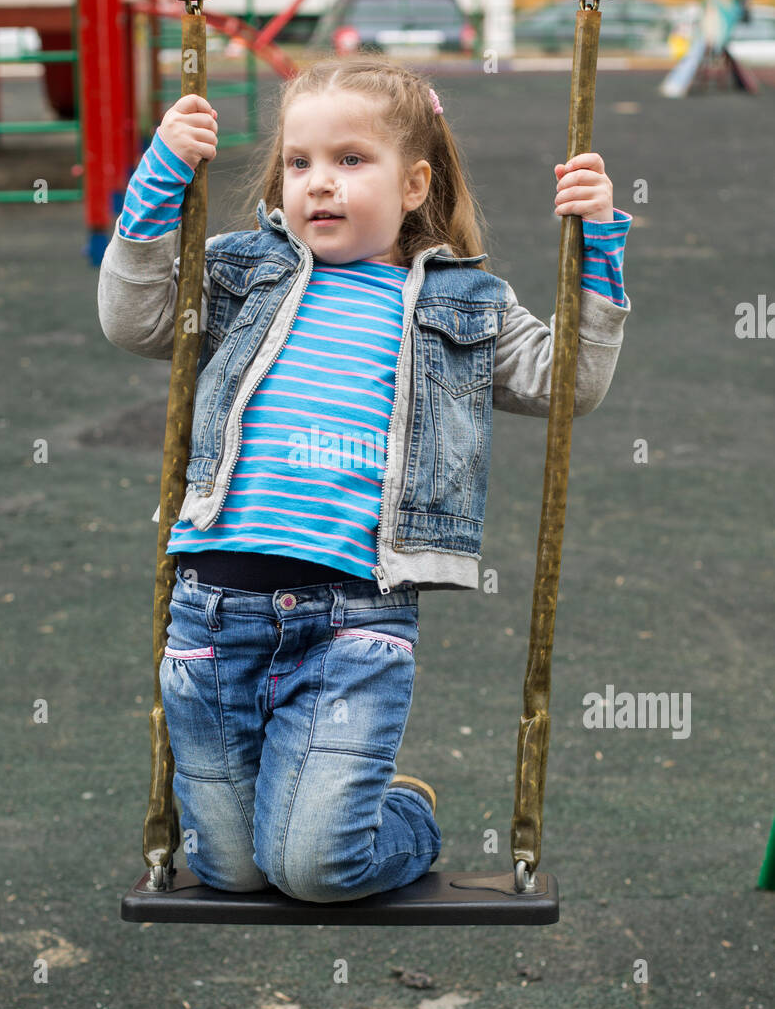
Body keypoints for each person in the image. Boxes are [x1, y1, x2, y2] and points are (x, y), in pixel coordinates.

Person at [98, 55, 632, 904]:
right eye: (300, 163)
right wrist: (159, 184)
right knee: (229, 873)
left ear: (415, 183)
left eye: (352, 161)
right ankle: (311, 810)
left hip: (353, 621)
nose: (319, 184)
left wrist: (596, 243)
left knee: (313, 871)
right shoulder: (242, 273)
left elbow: (570, 382)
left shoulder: (462, 302)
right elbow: (136, 321)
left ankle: (403, 816)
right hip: (210, 614)